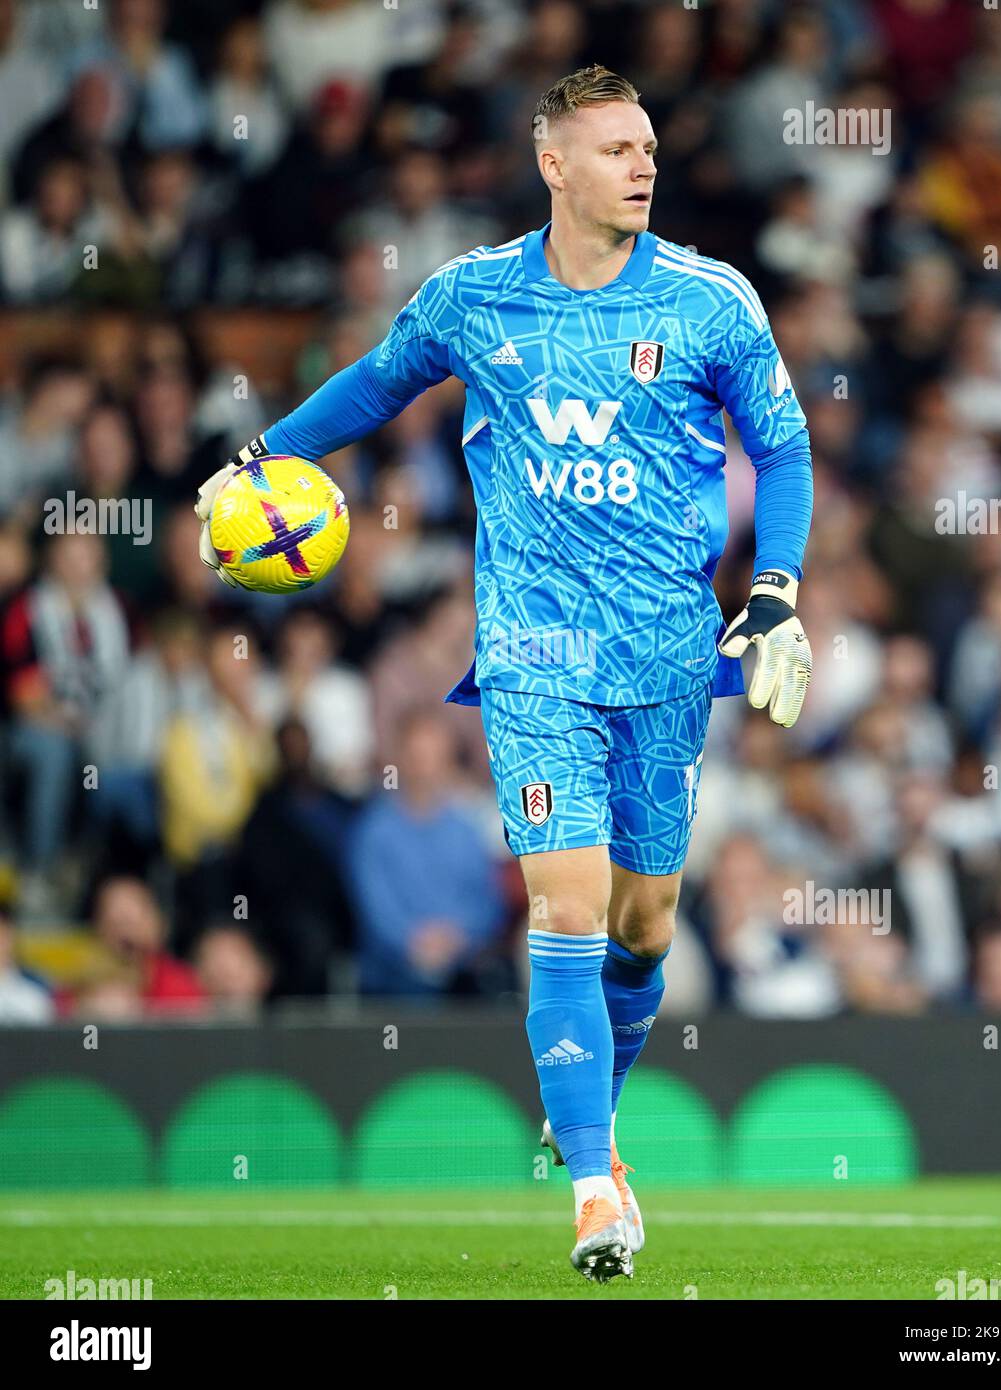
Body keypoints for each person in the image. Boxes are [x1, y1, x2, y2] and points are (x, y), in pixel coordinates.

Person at [194, 65, 814, 1282]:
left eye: (648, 145)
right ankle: (593, 1187)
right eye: (618, 148)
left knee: (644, 926)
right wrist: (261, 458)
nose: (644, 164)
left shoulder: (708, 302)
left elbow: (782, 452)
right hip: (532, 653)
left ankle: (590, 1114)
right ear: (553, 163)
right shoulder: (472, 298)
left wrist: (777, 592)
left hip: (669, 660)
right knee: (568, 905)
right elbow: (377, 383)